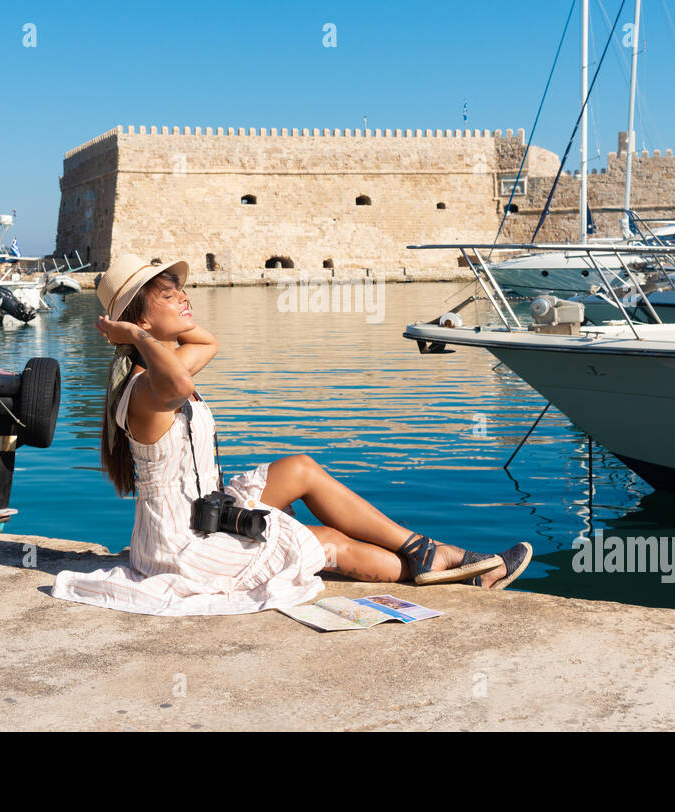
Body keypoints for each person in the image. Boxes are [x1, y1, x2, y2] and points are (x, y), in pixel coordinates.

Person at [49, 253, 532, 617]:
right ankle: (454, 573)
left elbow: (207, 342)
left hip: (206, 509)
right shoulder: (144, 391)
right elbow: (179, 383)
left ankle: (422, 549)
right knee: (320, 540)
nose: (185, 299)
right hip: (182, 544)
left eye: (182, 292)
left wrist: (143, 334)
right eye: (170, 295)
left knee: (300, 468)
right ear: (141, 317)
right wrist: (134, 336)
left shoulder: (163, 372)